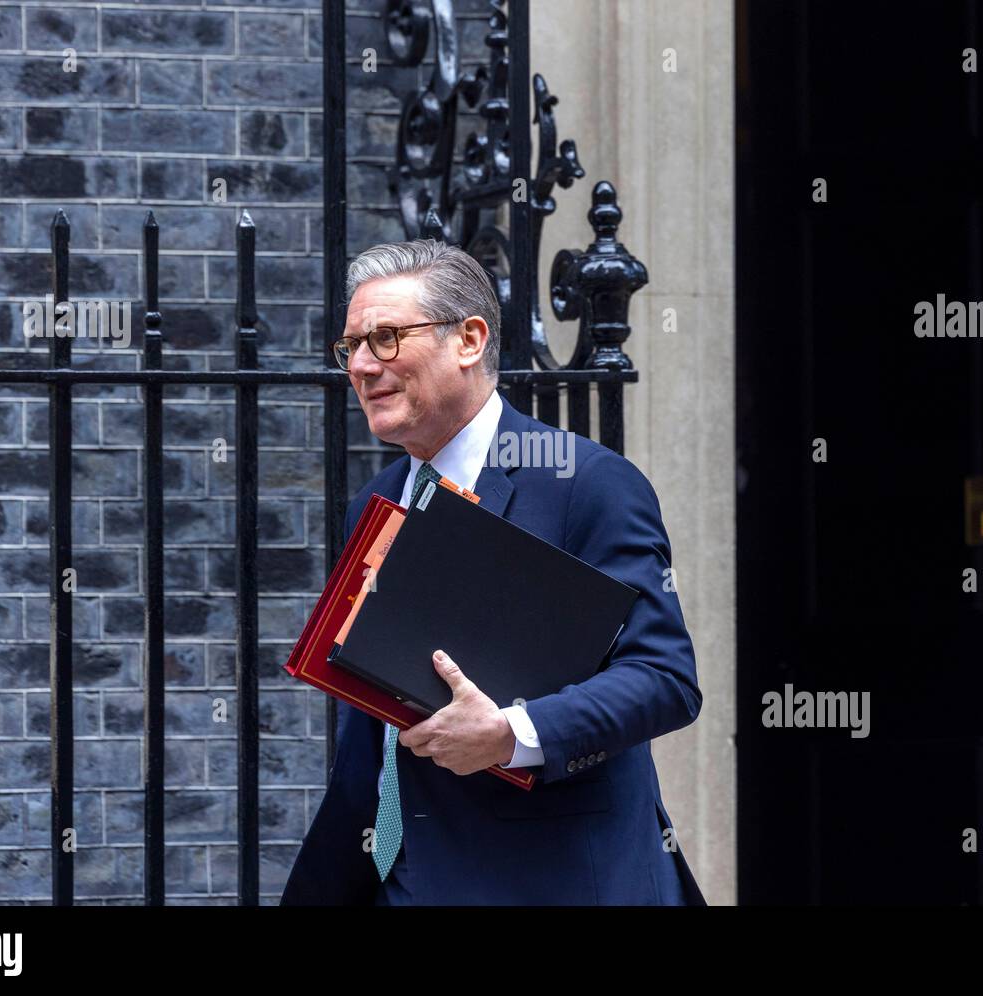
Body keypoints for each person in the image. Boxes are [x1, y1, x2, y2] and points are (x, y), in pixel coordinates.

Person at [279, 239, 705, 905]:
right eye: (352, 346)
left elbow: (663, 681)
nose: (361, 365)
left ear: (470, 340)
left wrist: (512, 734)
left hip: (553, 882)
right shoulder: (378, 498)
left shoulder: (587, 484)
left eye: (386, 338)